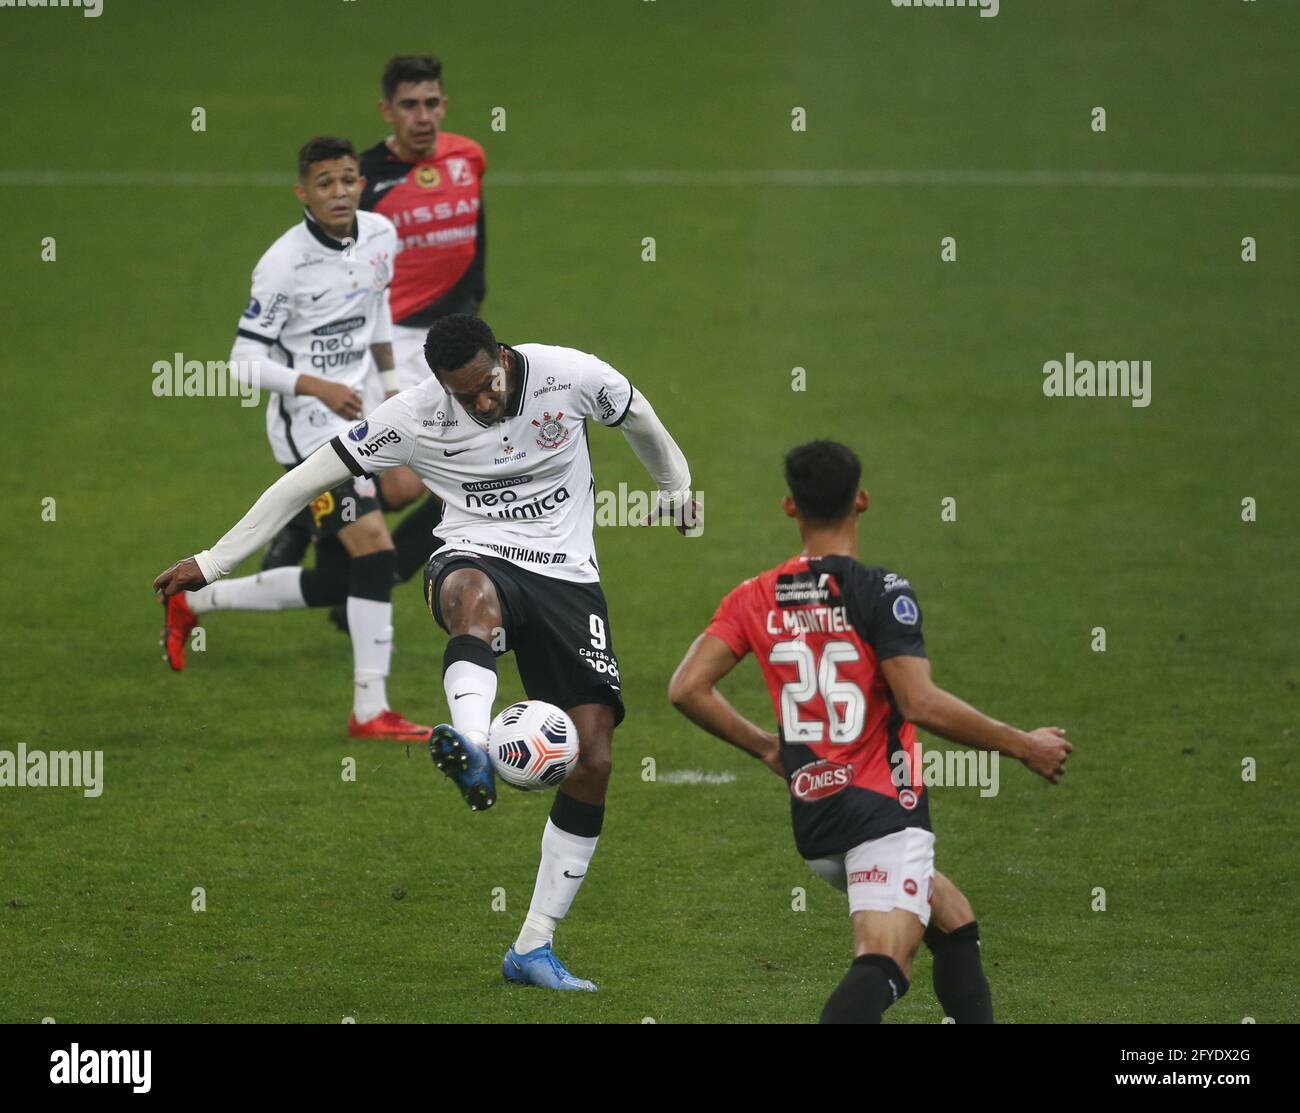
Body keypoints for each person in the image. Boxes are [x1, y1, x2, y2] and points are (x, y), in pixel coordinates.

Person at [154, 314, 699, 993]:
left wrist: (676, 487)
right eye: (461, 394)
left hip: (568, 578)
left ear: (501, 356)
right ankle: (471, 743)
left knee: (593, 758)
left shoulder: (569, 374)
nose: (479, 403)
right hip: (474, 553)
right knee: (472, 599)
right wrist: (211, 560)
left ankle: (533, 946)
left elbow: (637, 411)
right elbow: (303, 480)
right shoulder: (412, 415)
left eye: (485, 386)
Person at [667, 440, 1072, 1023]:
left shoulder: (754, 596)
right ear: (861, 501)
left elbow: (686, 688)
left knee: (953, 918)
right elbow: (921, 702)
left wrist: (765, 747)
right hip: (882, 812)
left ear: (790, 508)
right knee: (884, 962)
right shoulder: (878, 591)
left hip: (816, 814)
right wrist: (1023, 744)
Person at [158, 136, 428, 743]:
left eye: (348, 179)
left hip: (365, 413)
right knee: (377, 553)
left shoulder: (381, 235)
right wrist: (318, 386)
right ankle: (370, 712)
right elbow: (242, 363)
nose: (339, 192)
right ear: (302, 192)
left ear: (363, 183)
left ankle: (194, 604)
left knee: (346, 576)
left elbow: (377, 305)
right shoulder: (282, 264)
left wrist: (389, 383)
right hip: (308, 431)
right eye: (325, 183)